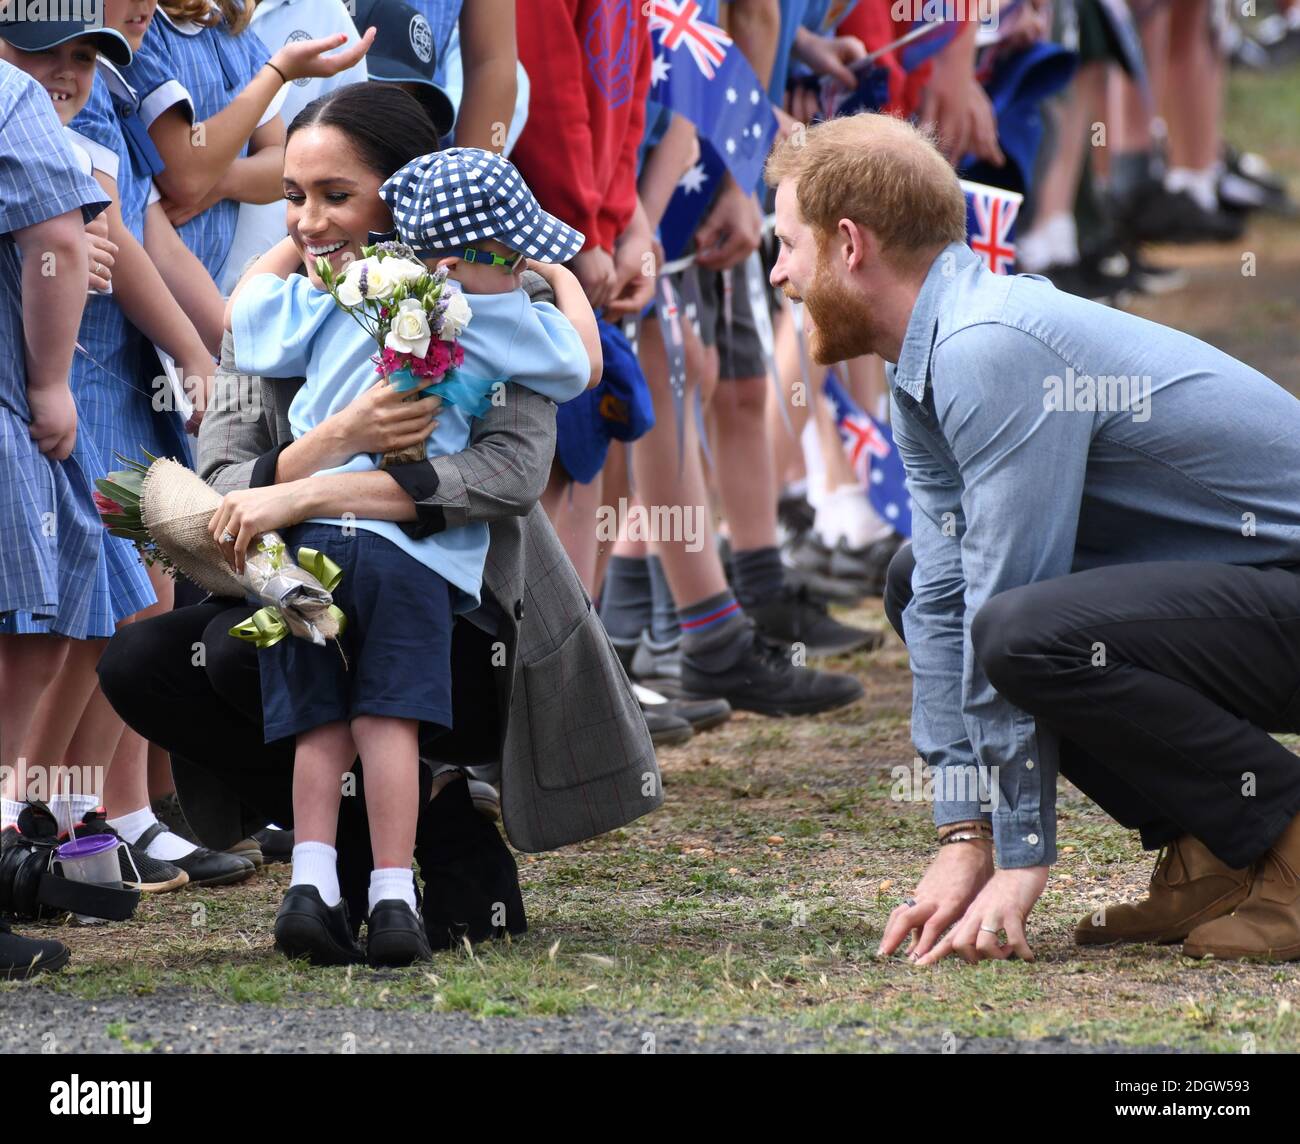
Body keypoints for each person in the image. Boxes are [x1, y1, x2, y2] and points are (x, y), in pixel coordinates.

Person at [98, 83, 661, 957]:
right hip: (302, 579)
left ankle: (423, 833)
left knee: (340, 654)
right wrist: (332, 442)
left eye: (334, 196)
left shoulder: (488, 298)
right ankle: (367, 859)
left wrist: (310, 496)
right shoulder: (292, 311)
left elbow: (508, 473)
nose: (307, 222)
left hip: (468, 617)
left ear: (405, 201)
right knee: (154, 660)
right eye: (292, 196)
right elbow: (216, 478)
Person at [766, 111, 1300, 966]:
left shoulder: (988, 349)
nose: (781, 273)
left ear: (849, 243)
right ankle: (1214, 852)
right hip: (1260, 596)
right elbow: (944, 592)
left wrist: (1022, 856)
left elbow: (1005, 599)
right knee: (917, 581)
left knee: (1024, 630)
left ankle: (1291, 846)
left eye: (787, 245)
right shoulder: (927, 356)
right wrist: (965, 832)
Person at [223, 140, 594, 965]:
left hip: (311, 543)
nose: (524, 266)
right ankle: (394, 897)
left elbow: (247, 319)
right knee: (390, 722)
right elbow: (580, 364)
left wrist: (294, 243)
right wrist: (560, 281)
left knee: (319, 723)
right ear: (467, 261)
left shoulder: (349, 289)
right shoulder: (501, 317)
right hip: (411, 555)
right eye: (515, 252)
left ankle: (310, 888)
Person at [0, 50, 112, 977]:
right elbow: (62, 242)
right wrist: (49, 379)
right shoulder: (10, 100)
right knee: (19, 648)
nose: (60, 70)